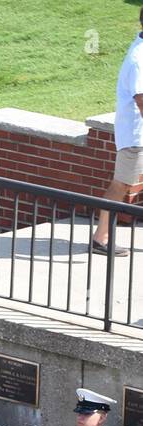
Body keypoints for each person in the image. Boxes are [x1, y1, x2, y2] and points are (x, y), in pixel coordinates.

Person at [92, 8, 143, 255]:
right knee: (121, 184)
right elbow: (142, 100)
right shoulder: (138, 58)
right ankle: (101, 237)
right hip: (136, 136)